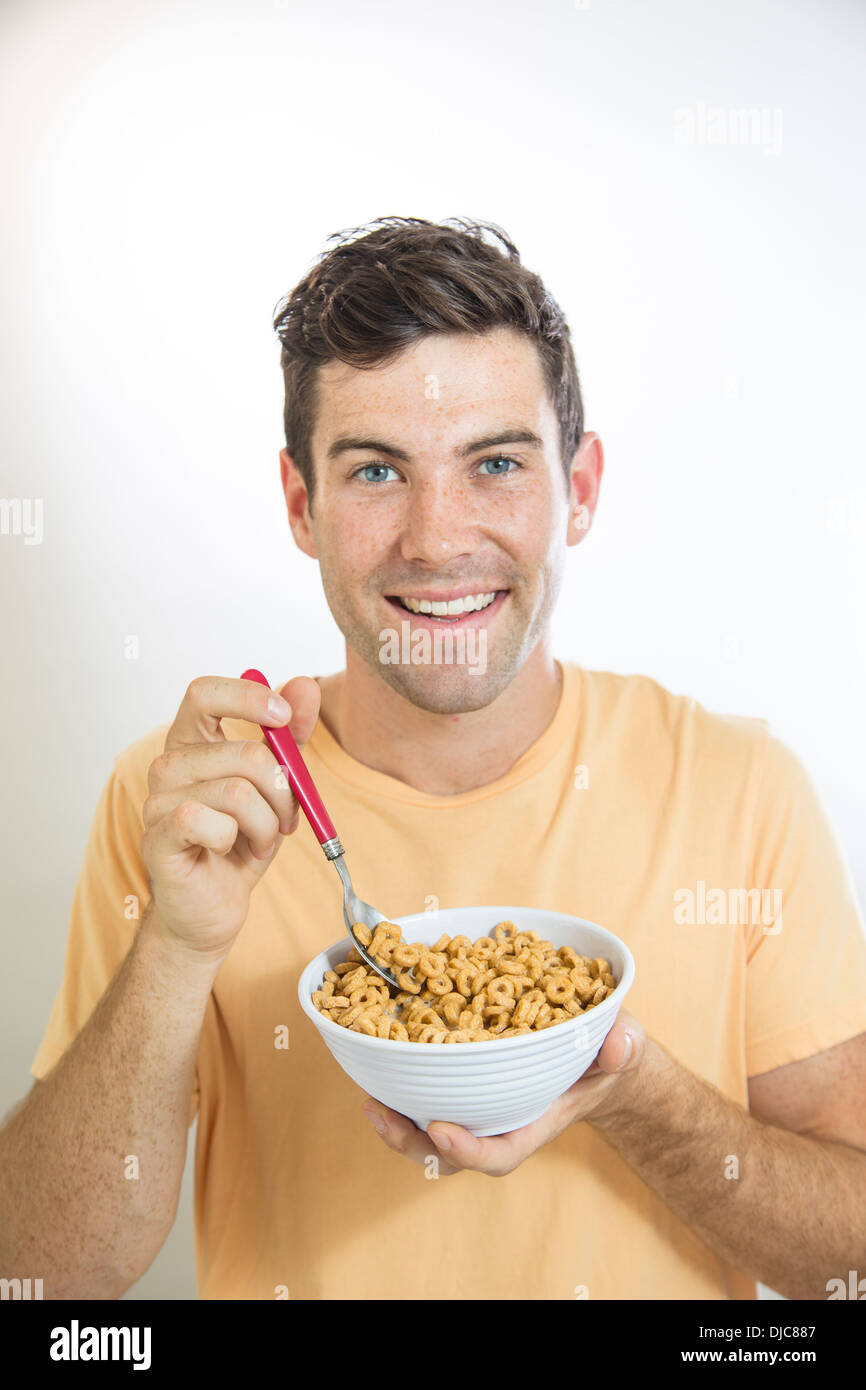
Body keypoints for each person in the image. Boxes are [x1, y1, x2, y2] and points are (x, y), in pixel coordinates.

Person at [4, 217, 866, 1301]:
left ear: (580, 488)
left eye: (495, 463)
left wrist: (628, 1087)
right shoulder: (195, 807)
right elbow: (34, 1282)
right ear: (299, 505)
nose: (437, 538)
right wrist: (177, 950)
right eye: (375, 472)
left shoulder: (739, 790)